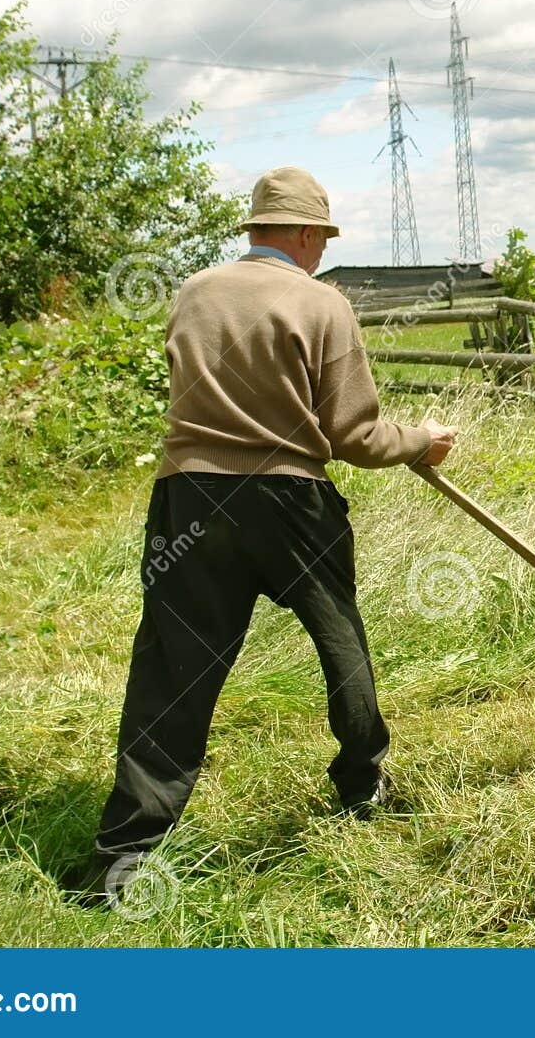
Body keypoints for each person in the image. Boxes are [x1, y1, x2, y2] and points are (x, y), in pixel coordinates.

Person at [85, 166, 455, 896]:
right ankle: (360, 786)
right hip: (290, 502)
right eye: (321, 238)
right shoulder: (323, 304)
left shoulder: (194, 292)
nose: (320, 252)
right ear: (306, 233)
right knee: (339, 640)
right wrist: (421, 438)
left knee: (172, 672)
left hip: (187, 498)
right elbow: (354, 435)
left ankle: (118, 861)